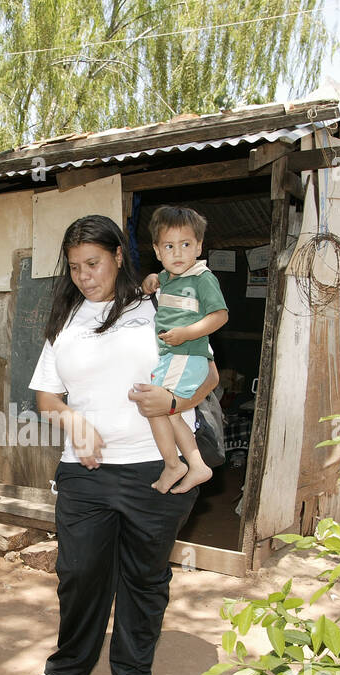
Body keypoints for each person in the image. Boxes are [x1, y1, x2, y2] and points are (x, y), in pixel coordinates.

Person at [26, 215, 218, 675]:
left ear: (117, 255)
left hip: (159, 469)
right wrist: (71, 421)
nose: (85, 276)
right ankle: (68, 667)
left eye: (93, 263)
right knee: (79, 572)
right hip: (85, 470)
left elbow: (209, 372)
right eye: (74, 268)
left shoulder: (158, 302)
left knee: (142, 576)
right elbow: (47, 395)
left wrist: (175, 397)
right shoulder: (65, 321)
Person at [140, 205, 228, 494]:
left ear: (199, 246)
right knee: (171, 414)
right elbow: (150, 285)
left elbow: (220, 316)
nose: (177, 254)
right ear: (157, 250)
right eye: (169, 246)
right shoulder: (168, 279)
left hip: (186, 355)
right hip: (175, 357)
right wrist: (151, 279)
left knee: (154, 406)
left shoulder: (203, 278)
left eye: (186, 244)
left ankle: (173, 464)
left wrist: (186, 334)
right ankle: (195, 463)